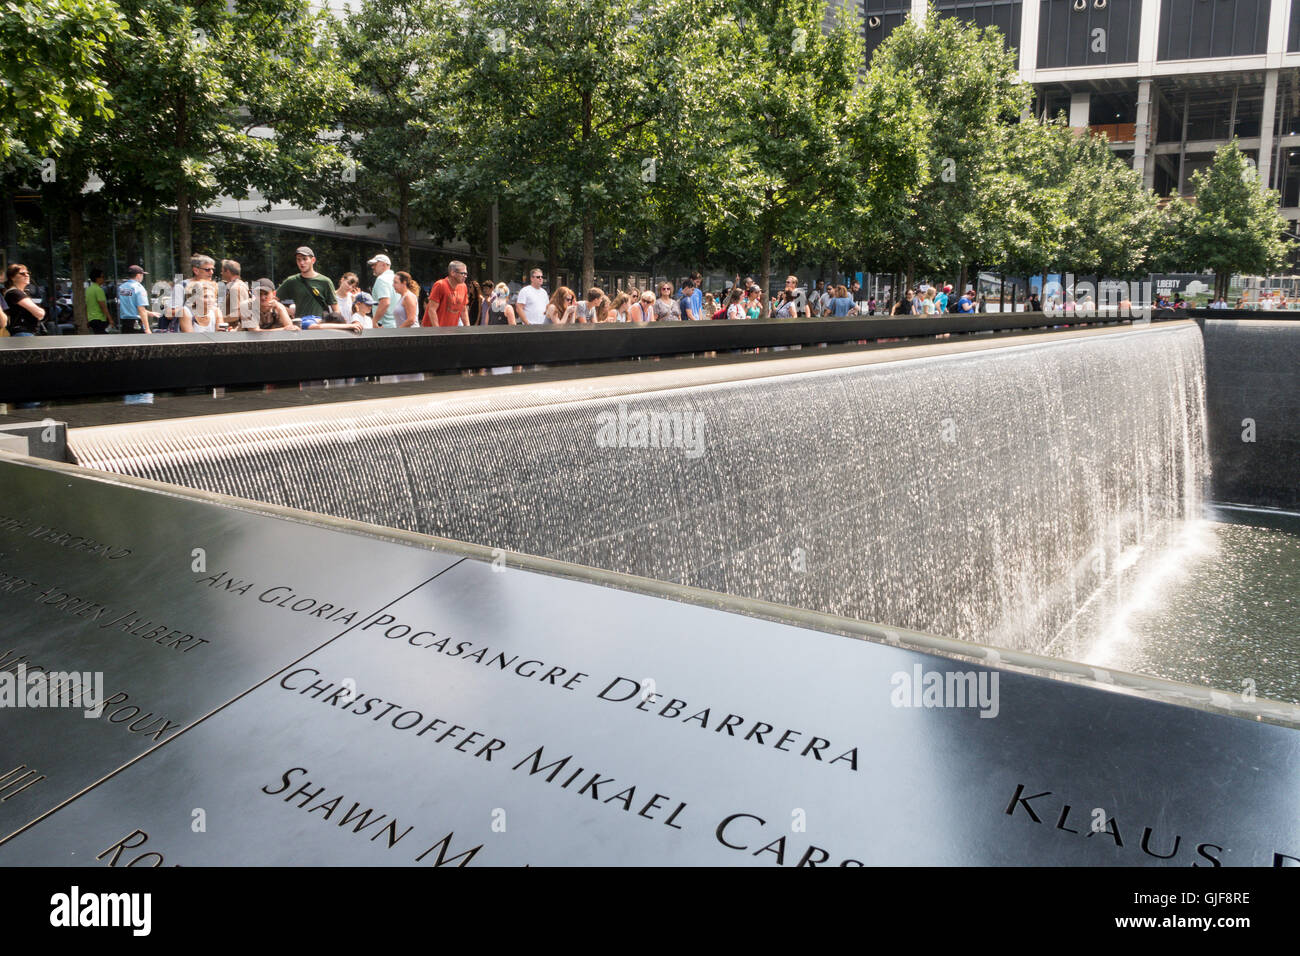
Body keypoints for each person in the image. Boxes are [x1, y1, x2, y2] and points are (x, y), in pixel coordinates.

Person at [278, 247, 336, 329]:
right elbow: (273, 300)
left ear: (313, 260)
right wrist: (288, 311)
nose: (301, 263)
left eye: (305, 259)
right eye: (298, 260)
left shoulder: (325, 281)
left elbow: (336, 310)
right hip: (300, 327)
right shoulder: (291, 281)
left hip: (321, 327)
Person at [3, 264, 45, 336]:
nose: (26, 275)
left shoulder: (21, 293)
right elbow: (39, 313)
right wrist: (41, 312)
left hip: (25, 332)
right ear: (12, 277)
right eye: (22, 273)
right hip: (22, 333)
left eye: (28, 273)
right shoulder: (15, 293)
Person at [116, 265, 154, 334]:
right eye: (142, 275)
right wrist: (147, 328)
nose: (143, 277)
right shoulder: (139, 288)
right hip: (136, 324)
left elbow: (130, 304)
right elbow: (141, 310)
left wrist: (149, 313)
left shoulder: (121, 287)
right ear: (138, 275)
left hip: (124, 323)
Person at [367, 253, 396, 327]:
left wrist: (374, 321)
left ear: (383, 265)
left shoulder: (381, 279)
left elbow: (385, 303)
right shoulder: (396, 278)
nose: (372, 267)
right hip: (398, 325)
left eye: (375, 264)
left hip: (384, 326)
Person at [221, 260, 250, 330]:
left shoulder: (236, 288)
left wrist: (218, 320)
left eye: (222, 271)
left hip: (235, 331)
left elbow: (238, 313)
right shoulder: (239, 285)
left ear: (227, 271)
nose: (221, 273)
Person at [85, 268, 111, 333]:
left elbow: (86, 305)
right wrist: (110, 319)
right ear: (97, 278)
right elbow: (103, 306)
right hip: (99, 319)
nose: (104, 279)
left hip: (91, 318)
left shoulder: (88, 290)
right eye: (102, 277)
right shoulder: (99, 290)